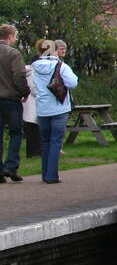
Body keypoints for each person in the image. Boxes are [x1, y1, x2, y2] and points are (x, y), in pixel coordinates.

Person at [31, 40, 79, 184]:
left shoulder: (34, 67)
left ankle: (45, 174)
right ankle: (52, 175)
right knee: (56, 141)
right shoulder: (61, 66)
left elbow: (32, 87)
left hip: (42, 108)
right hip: (59, 107)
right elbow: (73, 83)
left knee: (45, 141)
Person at [0, 24, 28, 182]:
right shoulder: (13, 53)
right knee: (16, 132)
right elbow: (19, 75)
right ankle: (11, 166)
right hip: (11, 98)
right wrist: (24, 92)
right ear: (10, 36)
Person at [22, 40, 45, 159]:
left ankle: (35, 152)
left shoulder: (30, 70)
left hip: (32, 104)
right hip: (33, 103)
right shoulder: (32, 71)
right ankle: (34, 152)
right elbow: (34, 89)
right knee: (33, 129)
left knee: (34, 128)